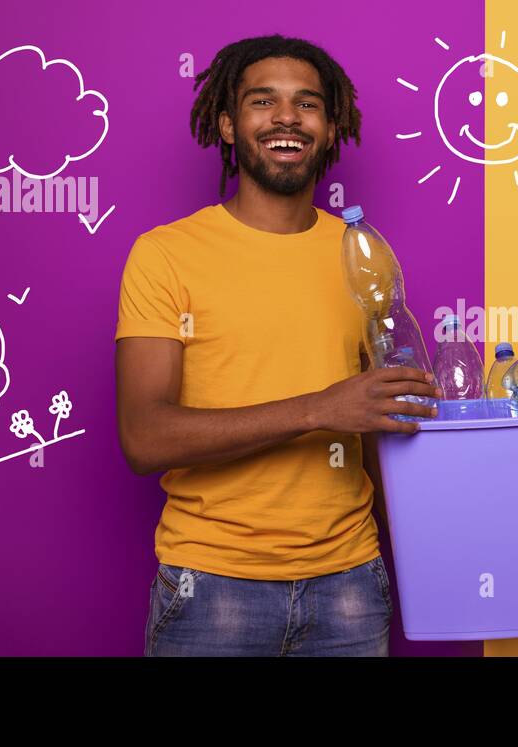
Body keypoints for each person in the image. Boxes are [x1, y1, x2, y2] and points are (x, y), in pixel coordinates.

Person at [114, 35, 439, 656]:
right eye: (263, 101)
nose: (287, 118)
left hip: (351, 588)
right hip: (210, 588)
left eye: (307, 104)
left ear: (331, 124)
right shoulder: (164, 255)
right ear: (228, 124)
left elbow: (376, 423)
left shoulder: (367, 257)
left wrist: (425, 559)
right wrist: (318, 409)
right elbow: (144, 436)